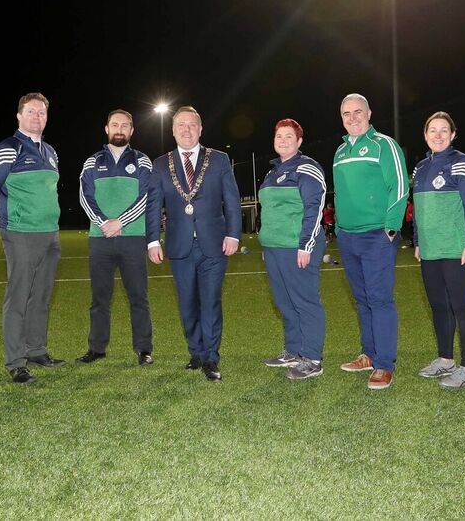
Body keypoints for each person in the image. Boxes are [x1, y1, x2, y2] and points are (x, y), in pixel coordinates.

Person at [146, 106, 241, 382]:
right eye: (181, 126)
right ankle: (196, 353)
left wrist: (233, 234)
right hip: (179, 245)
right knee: (187, 303)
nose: (186, 130)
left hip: (214, 244)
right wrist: (153, 240)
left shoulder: (219, 160)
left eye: (192, 125)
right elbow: (154, 206)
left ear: (200, 129)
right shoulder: (161, 164)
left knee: (210, 301)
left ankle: (211, 358)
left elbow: (232, 201)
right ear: (173, 130)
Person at [0, 93, 64, 384]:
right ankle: (16, 362)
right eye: (31, 112)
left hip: (50, 235)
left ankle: (36, 349)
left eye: (41, 113)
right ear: (19, 116)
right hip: (21, 235)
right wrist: (10, 223)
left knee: (41, 296)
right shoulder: (8, 149)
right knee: (18, 298)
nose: (36, 117)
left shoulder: (51, 152)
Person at [331, 94, 406, 390]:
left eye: (357, 112)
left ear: (369, 113)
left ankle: (385, 364)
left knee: (379, 298)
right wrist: (338, 228)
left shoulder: (383, 145)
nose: (352, 117)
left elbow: (398, 186)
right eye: (346, 113)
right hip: (349, 237)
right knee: (362, 299)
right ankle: (369, 355)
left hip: (377, 235)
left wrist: (390, 228)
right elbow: (340, 194)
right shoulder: (339, 152)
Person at [411, 112, 465, 389]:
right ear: (426, 134)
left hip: (457, 250)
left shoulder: (462, 164)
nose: (438, 135)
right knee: (439, 307)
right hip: (430, 251)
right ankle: (445, 360)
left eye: (444, 130)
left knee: (462, 307)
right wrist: (418, 241)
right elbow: (418, 210)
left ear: (453, 135)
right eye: (433, 130)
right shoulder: (420, 169)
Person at [77, 109, 155, 366]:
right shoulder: (92, 161)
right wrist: (103, 223)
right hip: (100, 239)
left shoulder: (143, 161)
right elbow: (84, 197)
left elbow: (146, 197)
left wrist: (120, 222)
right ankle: (97, 348)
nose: (119, 129)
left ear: (132, 131)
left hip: (132, 237)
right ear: (106, 129)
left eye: (125, 125)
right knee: (100, 297)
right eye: (114, 124)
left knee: (138, 297)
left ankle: (144, 349)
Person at [258, 119, 327, 380]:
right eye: (279, 136)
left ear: (299, 141)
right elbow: (270, 212)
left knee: (305, 302)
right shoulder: (272, 172)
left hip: (297, 247)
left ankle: (313, 358)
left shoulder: (307, 167)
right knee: (284, 302)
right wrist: (267, 243)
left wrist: (305, 245)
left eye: (289, 136)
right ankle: (294, 351)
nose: (283, 140)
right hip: (275, 248)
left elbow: (314, 206)